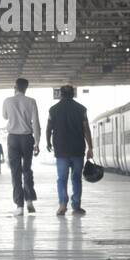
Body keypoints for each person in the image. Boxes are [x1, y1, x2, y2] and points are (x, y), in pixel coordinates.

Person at [46, 85, 93, 216]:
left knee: (62, 178)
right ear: (73, 94)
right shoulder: (81, 109)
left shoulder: (53, 109)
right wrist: (90, 147)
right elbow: (86, 129)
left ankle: (62, 204)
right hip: (78, 149)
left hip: (61, 150)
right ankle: (76, 206)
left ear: (60, 94)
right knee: (76, 178)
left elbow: (49, 128)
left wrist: (48, 142)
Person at [3, 77, 40, 215]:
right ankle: (29, 200)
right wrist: (37, 141)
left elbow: (5, 116)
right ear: (26, 88)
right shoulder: (31, 101)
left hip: (13, 138)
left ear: (15, 87)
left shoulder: (7, 101)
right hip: (27, 138)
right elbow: (35, 122)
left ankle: (19, 206)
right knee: (27, 169)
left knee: (15, 172)